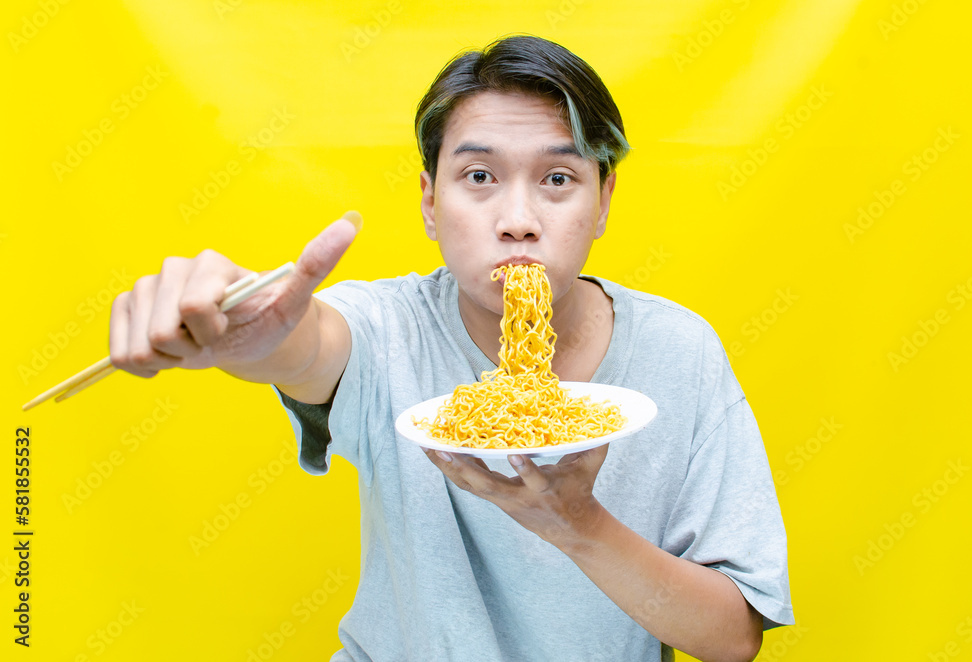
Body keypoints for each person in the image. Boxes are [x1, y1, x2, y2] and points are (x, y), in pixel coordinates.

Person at [109, 34, 793, 662]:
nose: (518, 222)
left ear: (604, 200)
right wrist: (254, 338)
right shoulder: (388, 328)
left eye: (558, 179)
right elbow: (307, 346)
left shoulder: (680, 352)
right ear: (430, 203)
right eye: (479, 177)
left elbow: (732, 639)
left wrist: (577, 523)